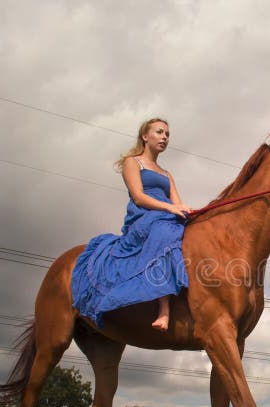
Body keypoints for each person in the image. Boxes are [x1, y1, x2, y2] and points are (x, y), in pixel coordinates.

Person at [70, 118, 192, 331]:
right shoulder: (132, 162)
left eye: (167, 134)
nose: (164, 137)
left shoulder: (166, 174)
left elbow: (177, 203)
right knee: (163, 231)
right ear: (145, 136)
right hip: (144, 217)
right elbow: (138, 197)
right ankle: (164, 309)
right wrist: (169, 208)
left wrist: (186, 211)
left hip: (166, 215)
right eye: (159, 132)